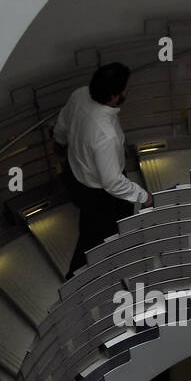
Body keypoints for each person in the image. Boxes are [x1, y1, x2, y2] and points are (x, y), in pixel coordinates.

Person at [54, 62, 153, 277]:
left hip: (74, 174)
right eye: (127, 88)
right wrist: (144, 197)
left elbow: (61, 126)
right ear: (114, 97)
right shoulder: (106, 134)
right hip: (100, 195)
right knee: (94, 237)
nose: (129, 89)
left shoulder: (79, 95)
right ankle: (75, 282)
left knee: (91, 224)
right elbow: (112, 182)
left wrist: (60, 143)